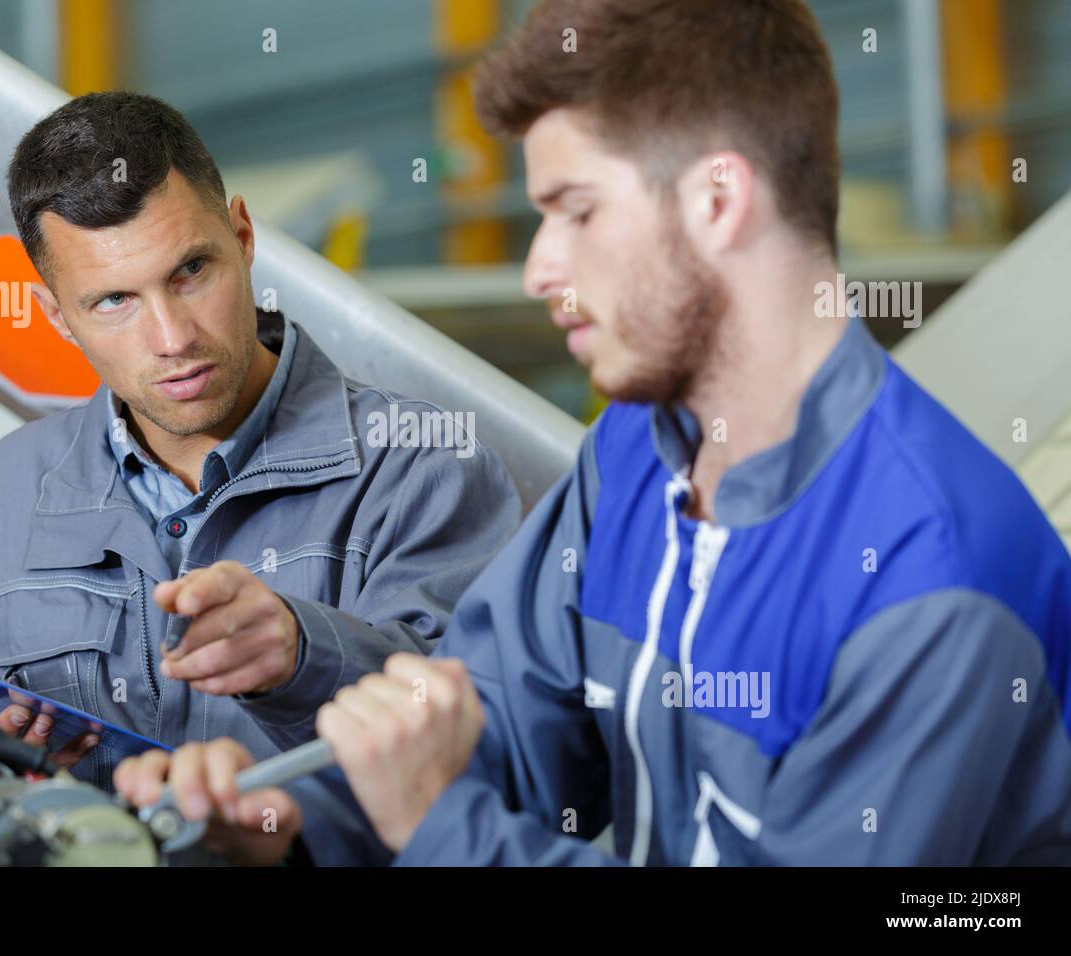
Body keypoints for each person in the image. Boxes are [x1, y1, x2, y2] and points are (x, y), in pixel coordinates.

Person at [116, 0, 1071, 865]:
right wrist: (285, 823)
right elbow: (485, 727)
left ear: (717, 200)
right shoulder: (635, 457)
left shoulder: (932, 571)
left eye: (574, 211)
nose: (539, 270)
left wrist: (442, 829)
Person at [0, 92, 520, 792]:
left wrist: (305, 657)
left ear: (243, 238)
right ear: (58, 317)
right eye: (113, 301)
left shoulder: (423, 474)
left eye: (191, 272)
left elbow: (495, 754)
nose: (173, 338)